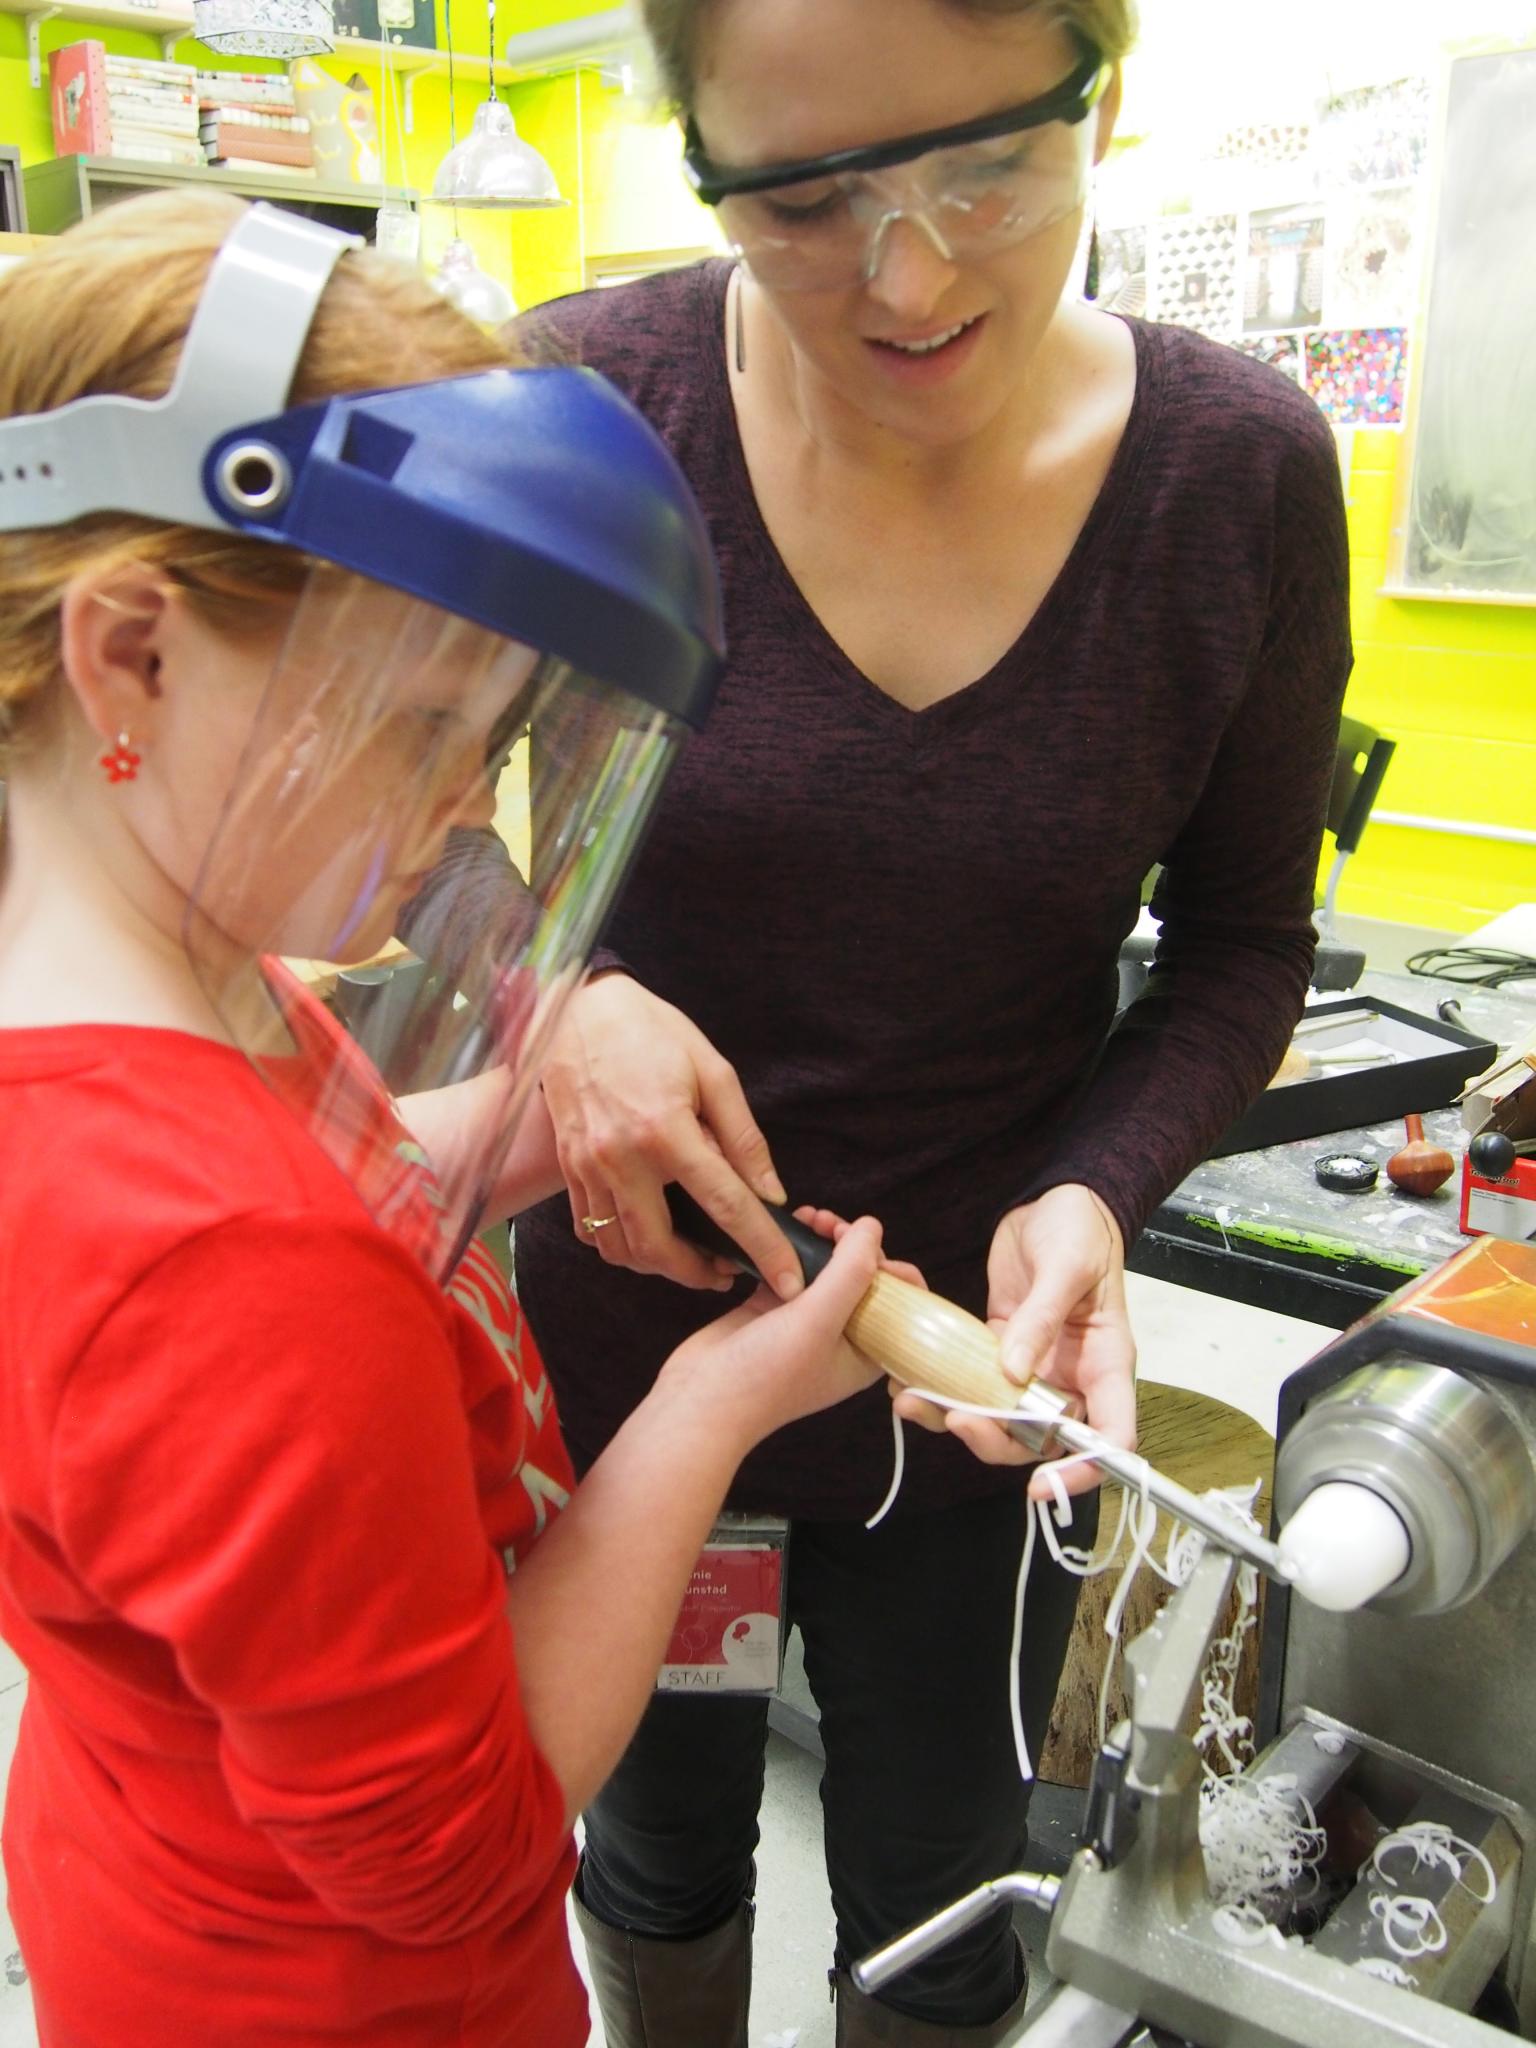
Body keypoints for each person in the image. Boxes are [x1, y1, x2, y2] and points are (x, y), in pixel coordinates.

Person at [403, 0, 1356, 2039]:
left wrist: (1098, 1193)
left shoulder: (1236, 481)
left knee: (949, 1890)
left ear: (1107, 87)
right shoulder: (588, 405)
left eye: (983, 167)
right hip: (625, 1354)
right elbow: (383, 816)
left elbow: (1245, 940)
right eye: (806, 199)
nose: (907, 277)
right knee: (651, 1842)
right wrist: (561, 996)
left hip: (972, 1385)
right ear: (702, 157)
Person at [0, 189, 903, 2047]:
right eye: (416, 726)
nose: (454, 809)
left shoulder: (140, 986)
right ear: (133, 655)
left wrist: (517, 1121)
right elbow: (462, 1854)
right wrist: (711, 1406)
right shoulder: (231, 1266)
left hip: (151, 1865)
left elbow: (262, 1242)